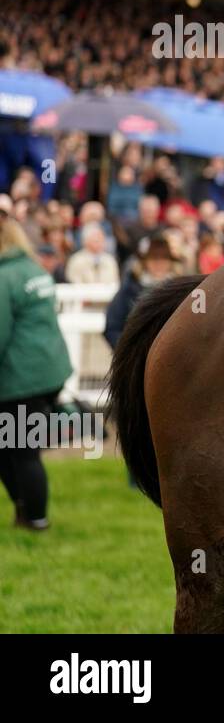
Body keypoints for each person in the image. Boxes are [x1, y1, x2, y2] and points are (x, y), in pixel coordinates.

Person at [0, 193, 75, 530]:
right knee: (13, 446)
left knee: (21, 450)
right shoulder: (31, 267)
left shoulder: (4, 277)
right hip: (48, 371)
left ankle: (35, 520)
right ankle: (26, 510)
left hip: (22, 379)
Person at [104, 236, 180, 350]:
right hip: (137, 354)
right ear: (145, 262)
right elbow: (112, 326)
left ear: (170, 262)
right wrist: (128, 351)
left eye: (163, 259)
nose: (159, 264)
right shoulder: (129, 290)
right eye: (154, 259)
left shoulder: (180, 290)